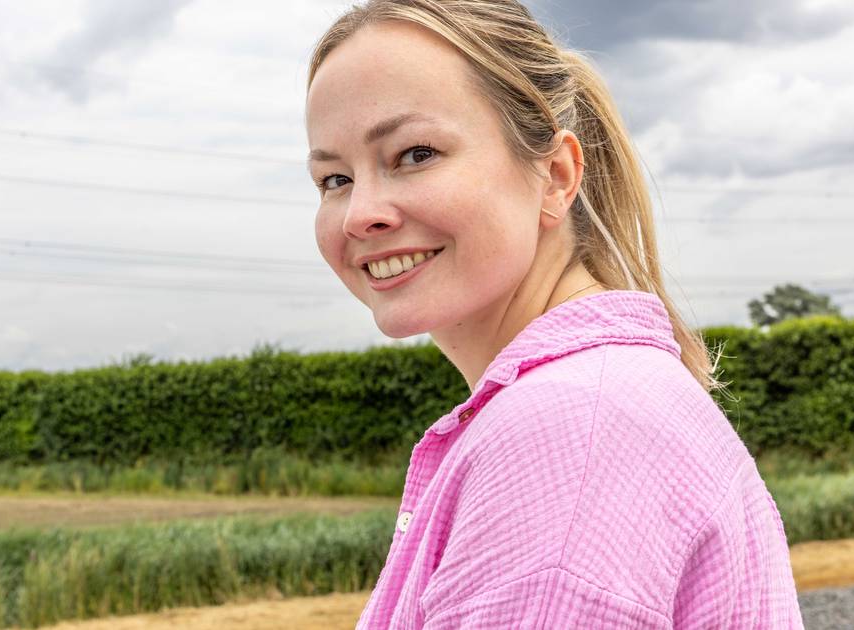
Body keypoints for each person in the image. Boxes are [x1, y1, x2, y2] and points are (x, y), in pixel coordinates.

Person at [304, 1, 804, 628]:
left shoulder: (570, 428)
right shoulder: (601, 400)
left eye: (416, 154)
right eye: (333, 179)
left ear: (556, 175)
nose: (359, 214)